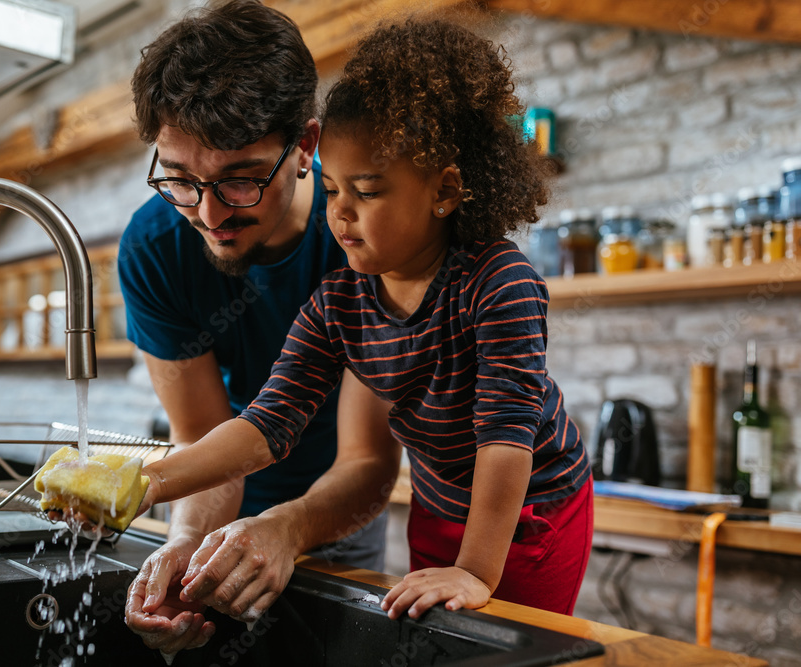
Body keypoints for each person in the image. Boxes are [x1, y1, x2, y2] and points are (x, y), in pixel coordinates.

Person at [136, 17, 594, 619]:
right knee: (438, 636)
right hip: (439, 503)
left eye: (368, 191)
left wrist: (476, 569)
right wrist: (143, 485)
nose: (341, 213)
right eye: (331, 192)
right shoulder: (340, 302)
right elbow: (265, 425)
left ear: (445, 190)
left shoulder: (499, 284)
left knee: (512, 644)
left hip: (532, 508)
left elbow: (505, 439)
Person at [115, 0, 398, 657]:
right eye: (180, 179)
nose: (209, 212)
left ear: (305, 145)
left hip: (335, 509)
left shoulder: (364, 244)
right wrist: (186, 540)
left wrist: (287, 528)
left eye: (240, 180)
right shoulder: (155, 247)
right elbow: (200, 437)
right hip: (218, 495)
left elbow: (369, 460)